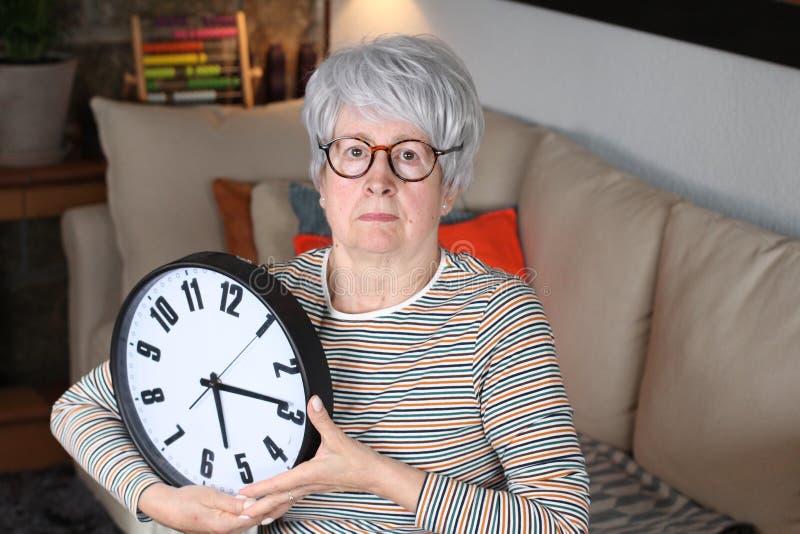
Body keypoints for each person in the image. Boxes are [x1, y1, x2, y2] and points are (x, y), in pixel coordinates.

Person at [51, 34, 590, 533]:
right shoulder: (262, 297)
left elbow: (562, 522)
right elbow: (78, 410)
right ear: (322, 180)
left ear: (448, 188)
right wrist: (158, 500)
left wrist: (376, 474)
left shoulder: (499, 315)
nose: (378, 181)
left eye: (409, 155)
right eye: (355, 152)